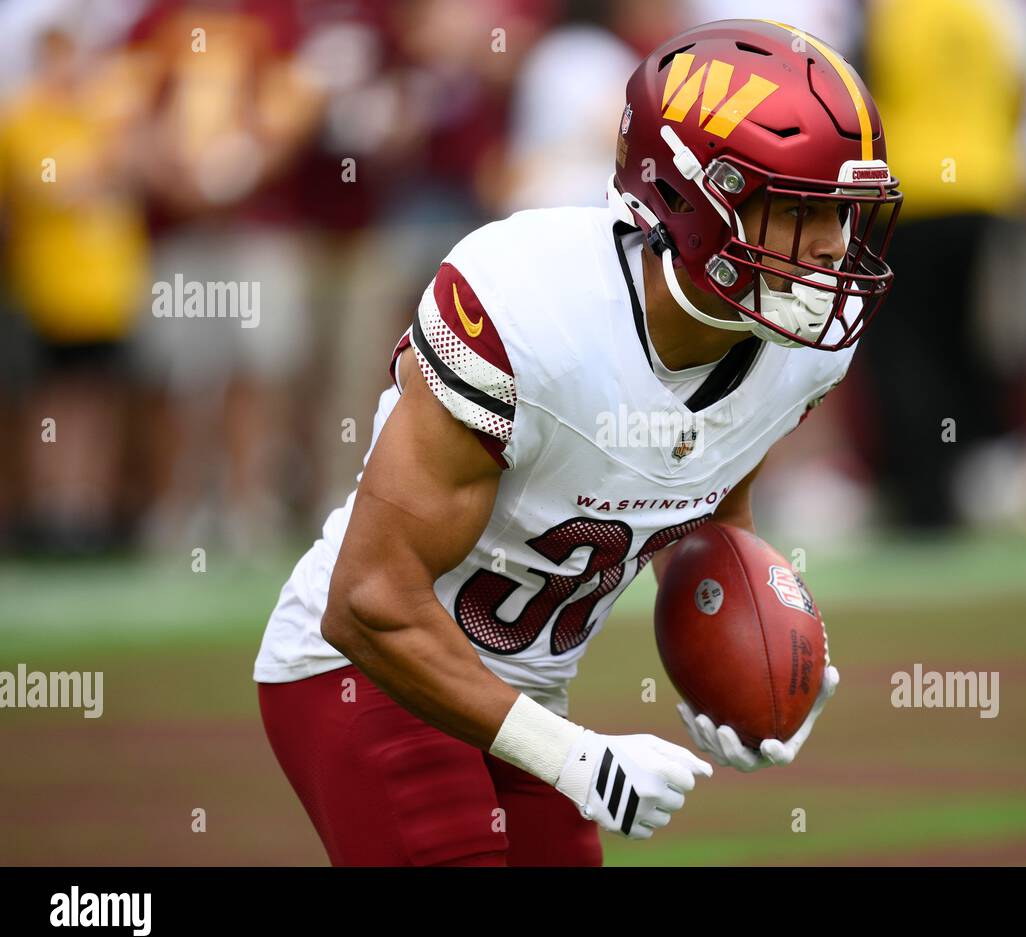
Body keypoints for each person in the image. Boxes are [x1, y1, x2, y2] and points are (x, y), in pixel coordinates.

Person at [254, 18, 902, 866]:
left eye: (844, 214)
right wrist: (575, 758)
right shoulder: (530, 302)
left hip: (523, 694)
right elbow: (369, 598)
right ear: (691, 200)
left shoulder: (799, 347)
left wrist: (747, 652)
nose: (830, 249)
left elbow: (705, 514)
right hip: (367, 674)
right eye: (797, 211)